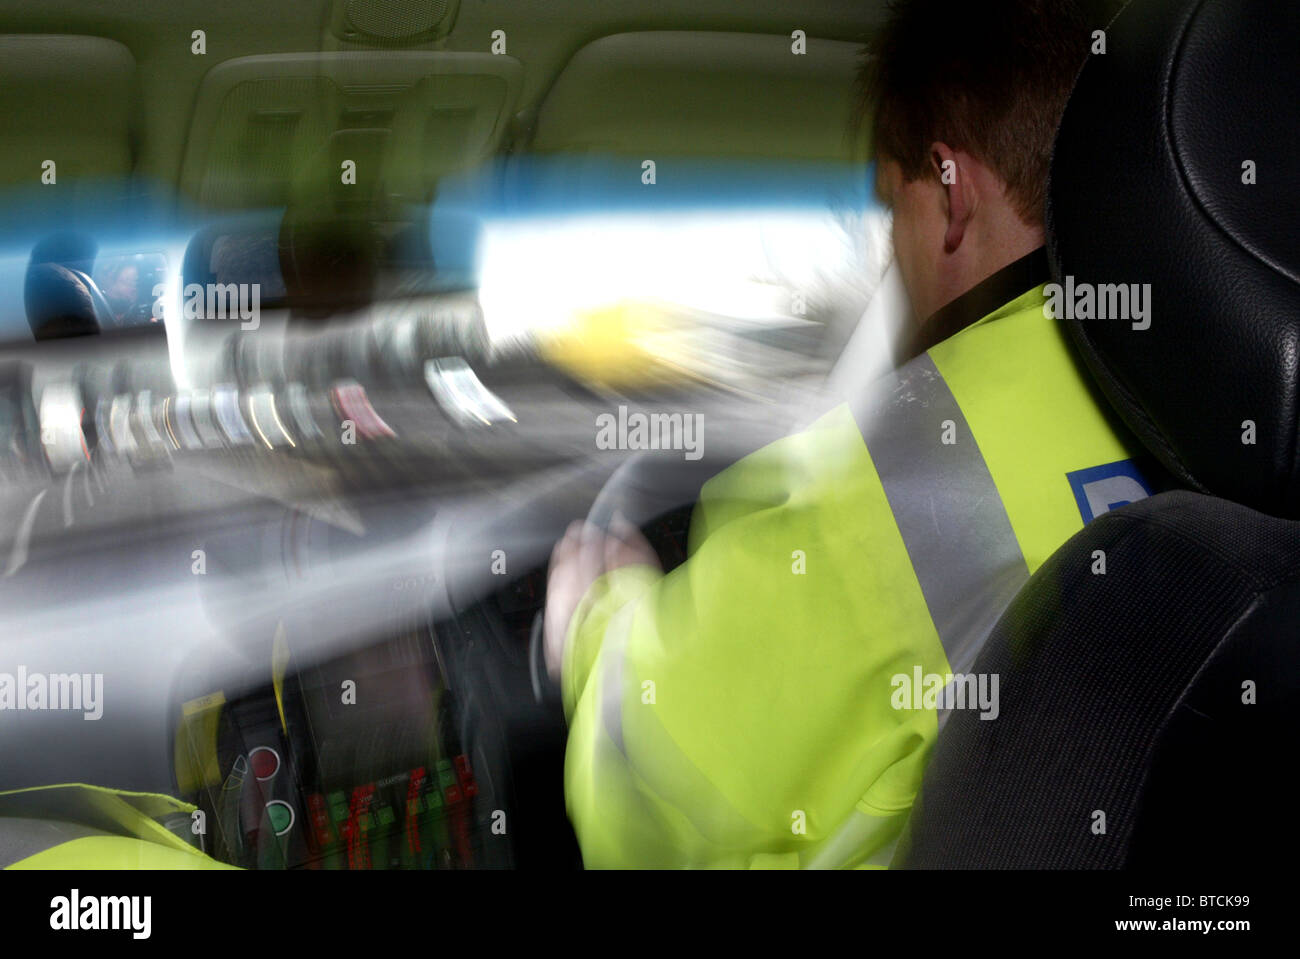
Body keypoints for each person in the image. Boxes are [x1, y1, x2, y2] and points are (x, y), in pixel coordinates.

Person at [543, 0, 1150, 868]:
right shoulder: (1201, 362)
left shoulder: (892, 482)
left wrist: (595, 621)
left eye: (886, 204)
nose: (889, 254)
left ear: (948, 193)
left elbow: (648, 792)